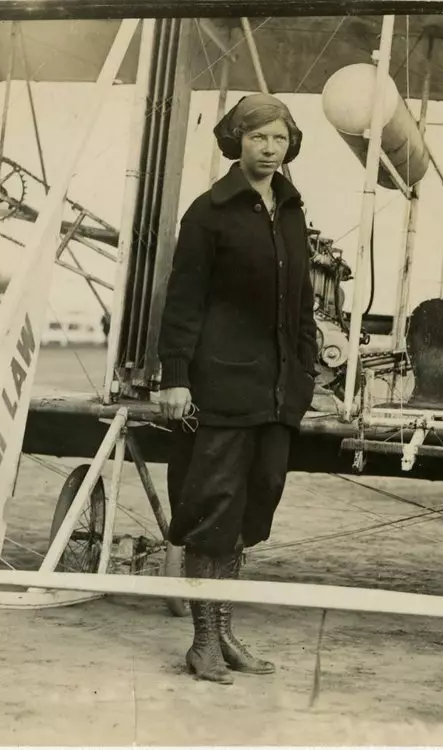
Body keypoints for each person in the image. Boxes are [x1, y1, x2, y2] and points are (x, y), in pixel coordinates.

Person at [156, 93, 318, 685]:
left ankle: (225, 634)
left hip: (275, 394)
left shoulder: (294, 209)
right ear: (236, 142)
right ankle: (202, 641)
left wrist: (303, 371)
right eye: (257, 139)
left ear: (290, 144)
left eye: (279, 139)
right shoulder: (209, 212)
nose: (269, 149)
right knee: (213, 513)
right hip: (220, 388)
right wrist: (175, 375)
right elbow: (183, 301)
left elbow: (301, 302)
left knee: (252, 507)